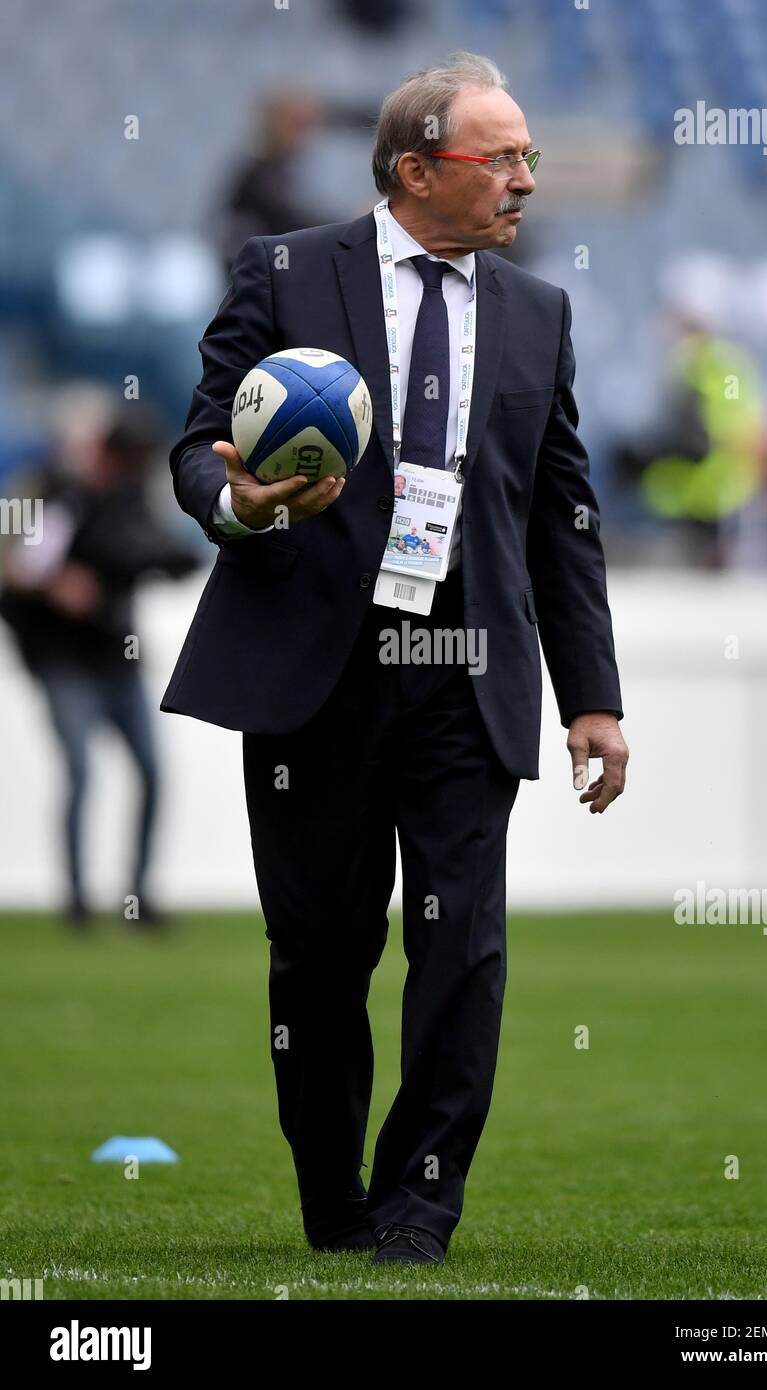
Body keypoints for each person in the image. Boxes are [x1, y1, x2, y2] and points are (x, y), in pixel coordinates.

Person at [162, 51, 627, 1266]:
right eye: (503, 158)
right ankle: (334, 1199)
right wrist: (242, 503)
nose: (526, 179)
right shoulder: (283, 270)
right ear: (418, 169)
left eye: (528, 154)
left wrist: (593, 698)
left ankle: (420, 1204)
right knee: (321, 953)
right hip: (317, 671)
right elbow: (196, 448)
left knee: (462, 947)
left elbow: (559, 512)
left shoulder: (538, 310)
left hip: (468, 673)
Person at [0, 408, 199, 926]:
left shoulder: (127, 502)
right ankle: (77, 900)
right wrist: (55, 582)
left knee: (152, 772)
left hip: (118, 661)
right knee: (81, 773)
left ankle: (138, 896)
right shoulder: (55, 494)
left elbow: (165, 554)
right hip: (65, 662)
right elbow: (19, 567)